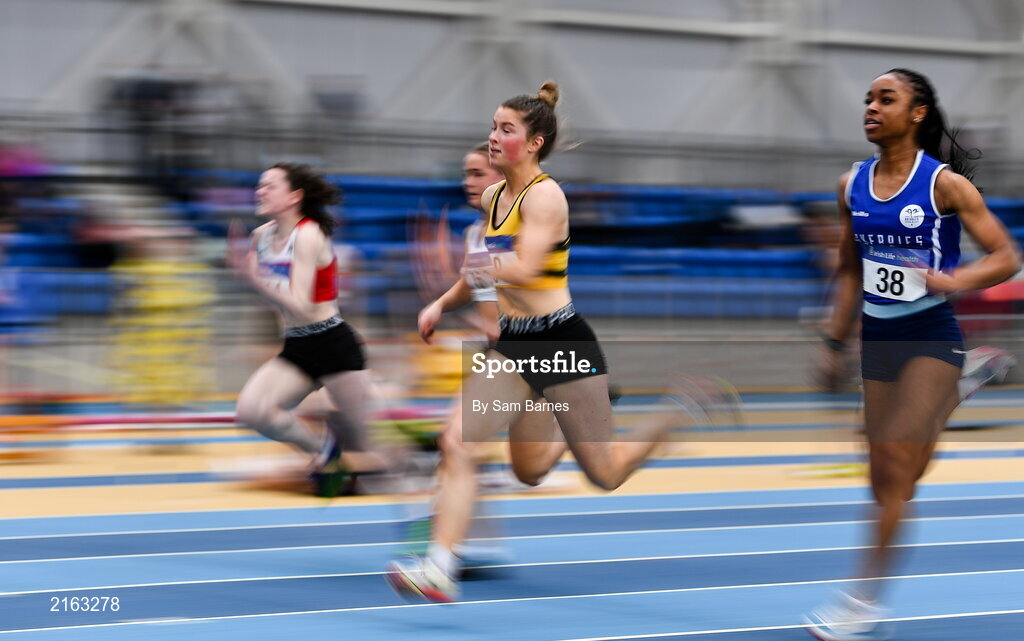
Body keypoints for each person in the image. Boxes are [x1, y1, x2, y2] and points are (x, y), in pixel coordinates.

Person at [386, 82, 676, 603]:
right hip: (516, 346)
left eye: (506, 130)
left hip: (561, 344)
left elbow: (524, 266)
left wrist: (475, 267)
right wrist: (442, 303)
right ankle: (439, 566)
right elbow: (485, 273)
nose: (493, 138)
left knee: (603, 474)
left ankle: (675, 415)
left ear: (535, 142)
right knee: (474, 448)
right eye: (493, 127)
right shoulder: (496, 196)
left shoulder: (546, 195)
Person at [805, 69, 1021, 641]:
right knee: (890, 480)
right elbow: (851, 270)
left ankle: (861, 601)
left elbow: (1006, 256)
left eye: (886, 99)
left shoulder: (944, 185)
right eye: (868, 99)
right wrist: (832, 340)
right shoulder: (850, 184)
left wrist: (955, 281)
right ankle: (964, 385)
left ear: (918, 113)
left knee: (897, 470)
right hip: (878, 340)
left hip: (930, 335)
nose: (871, 107)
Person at [228, 162, 389, 495]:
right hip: (297, 347)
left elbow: (300, 303)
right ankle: (323, 453)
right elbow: (275, 303)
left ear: (294, 197)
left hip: (333, 344)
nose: (260, 191)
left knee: (369, 449)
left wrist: (253, 278)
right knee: (252, 411)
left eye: (270, 185)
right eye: (259, 185)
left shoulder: (309, 234)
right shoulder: (260, 237)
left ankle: (431, 465)